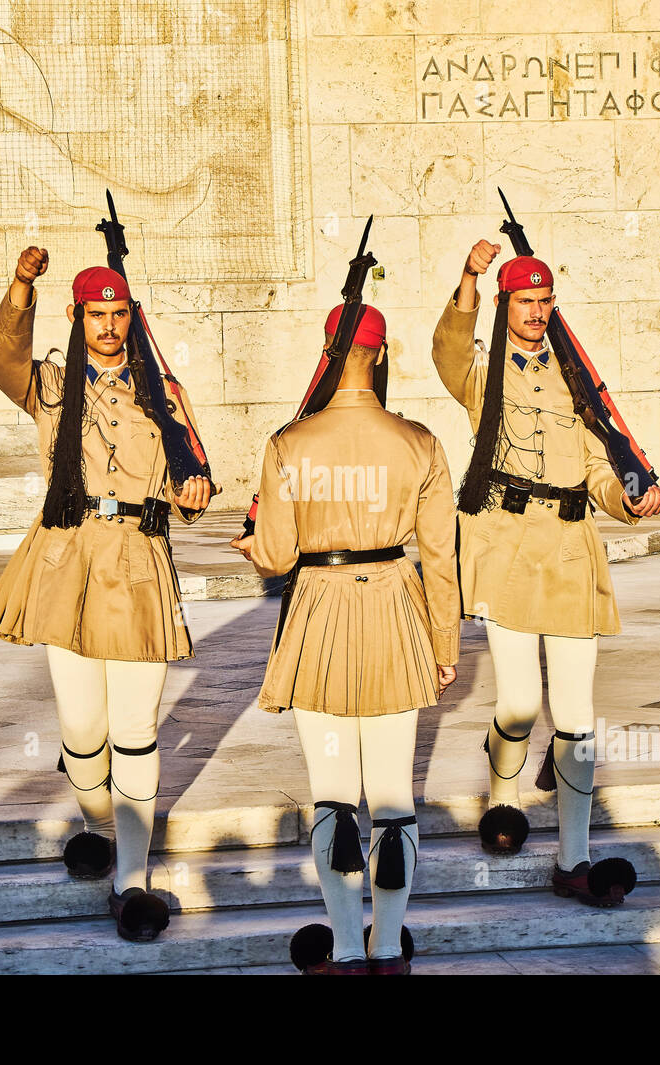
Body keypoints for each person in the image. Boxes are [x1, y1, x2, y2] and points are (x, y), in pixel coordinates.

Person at [0, 246, 213, 941]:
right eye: (95, 315)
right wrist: (21, 286)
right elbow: (1, 358)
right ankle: (99, 824)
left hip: (139, 558)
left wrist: (193, 491)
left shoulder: (163, 392)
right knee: (83, 730)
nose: (108, 327)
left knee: (134, 730)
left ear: (131, 317)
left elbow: (190, 479)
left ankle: (132, 879)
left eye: (118, 315)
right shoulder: (50, 385)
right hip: (70, 557)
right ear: (76, 317)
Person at [432, 240, 660, 906]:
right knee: (518, 705)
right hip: (503, 546)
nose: (536, 312)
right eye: (525, 301)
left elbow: (597, 466)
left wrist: (629, 497)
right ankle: (502, 798)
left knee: (575, 715)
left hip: (569, 549)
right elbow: (448, 350)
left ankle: (574, 857)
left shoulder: (575, 380)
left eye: (544, 301)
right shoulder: (482, 374)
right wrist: (468, 276)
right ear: (506, 304)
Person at [231, 304, 460, 973]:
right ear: (381, 353)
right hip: (395, 610)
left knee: (333, 791)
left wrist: (254, 546)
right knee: (393, 797)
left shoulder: (290, 442)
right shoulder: (420, 442)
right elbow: (441, 556)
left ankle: (344, 949)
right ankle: (388, 951)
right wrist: (445, 644)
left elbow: (276, 554)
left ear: (327, 351)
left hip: (320, 614)